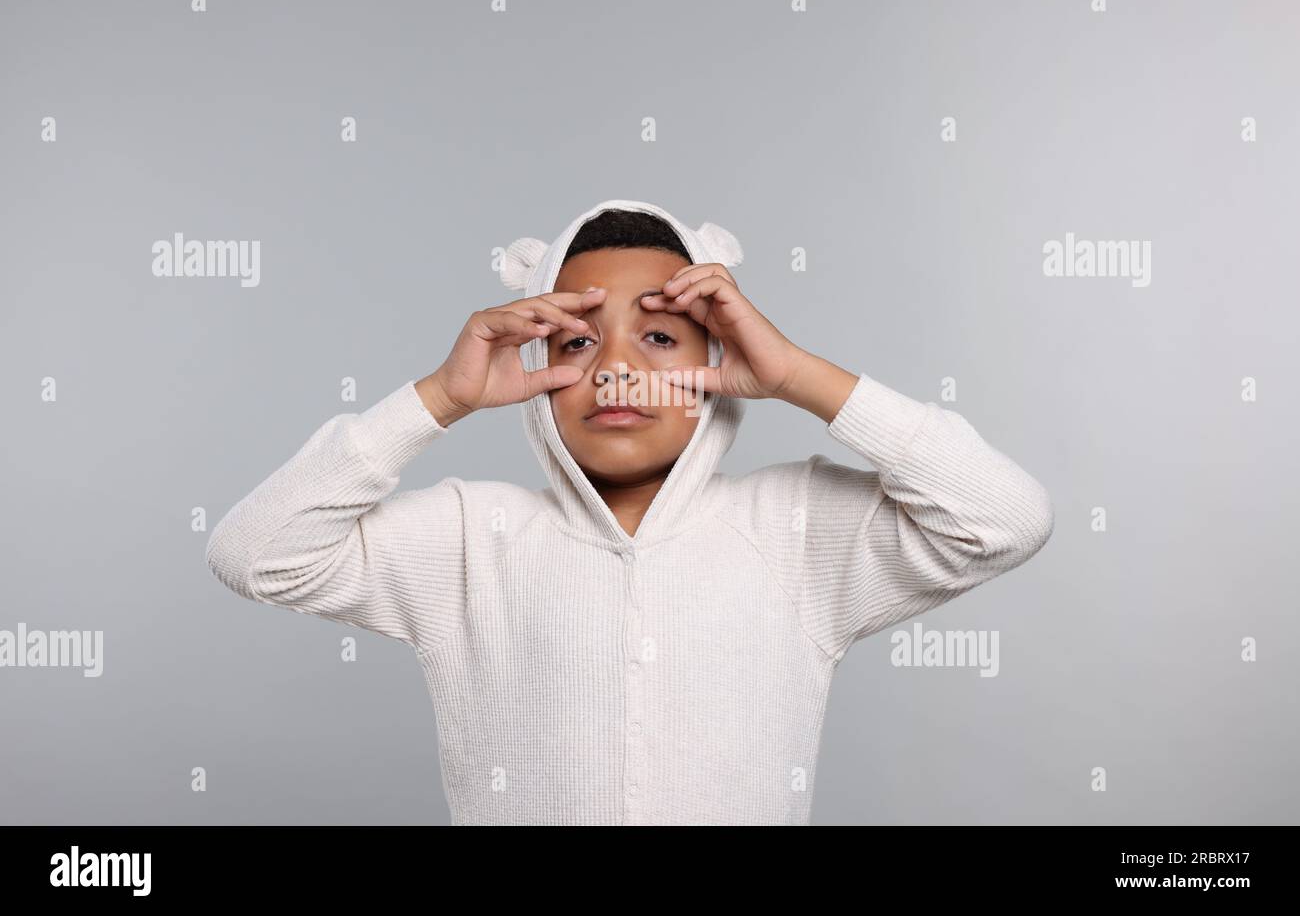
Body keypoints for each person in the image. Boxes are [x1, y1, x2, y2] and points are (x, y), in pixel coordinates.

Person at [204, 197, 1054, 825]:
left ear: (721, 364)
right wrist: (438, 399)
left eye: (658, 336)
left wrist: (799, 374)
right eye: (576, 341)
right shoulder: (471, 538)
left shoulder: (794, 529)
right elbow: (255, 552)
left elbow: (1005, 517)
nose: (614, 370)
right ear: (534, 373)